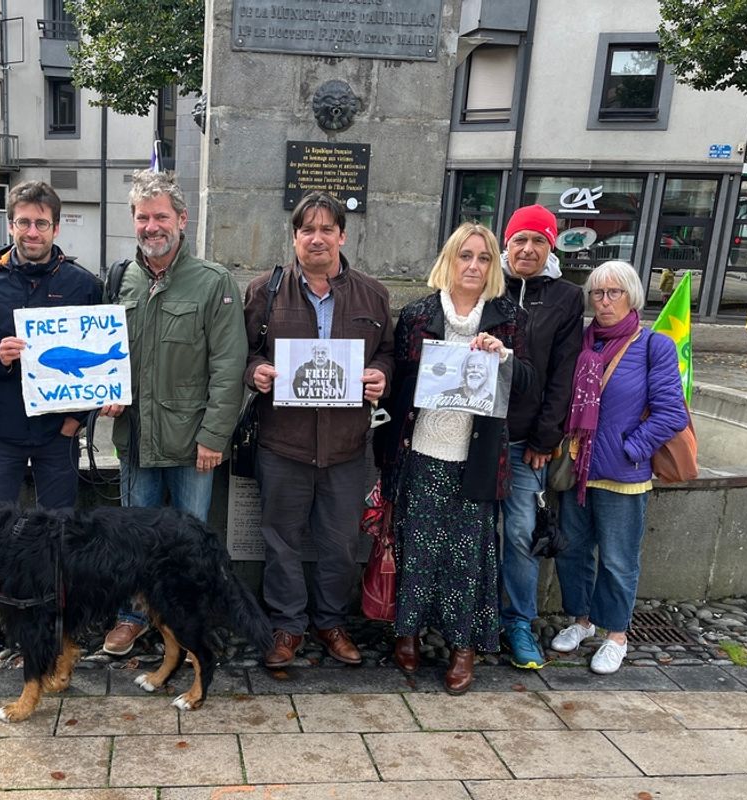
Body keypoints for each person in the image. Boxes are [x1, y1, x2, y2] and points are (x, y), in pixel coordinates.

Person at [375, 222, 533, 693]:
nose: (473, 265)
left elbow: (528, 383)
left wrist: (502, 357)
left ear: (492, 267)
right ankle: (408, 633)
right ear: (449, 259)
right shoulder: (419, 314)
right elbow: (397, 382)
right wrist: (423, 372)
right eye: (465, 256)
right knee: (418, 548)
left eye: (483, 258)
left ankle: (463, 647)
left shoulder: (508, 317)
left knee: (468, 557)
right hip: (422, 448)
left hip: (477, 455)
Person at [98, 170, 247, 656]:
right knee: (132, 538)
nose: (151, 226)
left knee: (188, 542)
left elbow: (229, 367)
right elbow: (105, 351)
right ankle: (133, 615)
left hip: (191, 444)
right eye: (143, 217)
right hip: (137, 437)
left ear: (182, 220)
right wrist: (107, 390)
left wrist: (214, 436)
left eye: (161, 216)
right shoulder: (121, 280)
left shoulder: (213, 283)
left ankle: (188, 622)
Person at [244, 191, 394, 669]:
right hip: (282, 442)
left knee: (341, 543)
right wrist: (256, 372)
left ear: (342, 236)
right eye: (307, 229)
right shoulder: (263, 291)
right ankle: (287, 626)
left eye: (327, 229)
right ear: (294, 237)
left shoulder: (373, 295)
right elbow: (241, 352)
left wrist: (381, 376)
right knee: (281, 540)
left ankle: (330, 622)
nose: (317, 238)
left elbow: (389, 353)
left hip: (347, 446)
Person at [0, 180, 102, 658]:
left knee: (60, 525)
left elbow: (100, 365)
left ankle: (59, 613)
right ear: (11, 224)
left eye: (41, 222)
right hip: (2, 428)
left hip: (56, 429)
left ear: (55, 227)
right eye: (24, 222)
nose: (32, 230)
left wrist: (77, 419)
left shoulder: (82, 284)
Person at [550, 261, 688, 675]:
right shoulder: (581, 343)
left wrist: (632, 450)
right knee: (573, 550)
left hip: (623, 475)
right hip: (577, 469)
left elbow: (671, 413)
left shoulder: (652, 346)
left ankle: (616, 635)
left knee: (617, 559)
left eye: (614, 293)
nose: (604, 301)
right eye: (597, 293)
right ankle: (581, 621)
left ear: (632, 298)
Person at [497, 204, 584, 670]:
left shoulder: (566, 298)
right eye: (519, 240)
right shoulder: (488, 283)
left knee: (518, 533)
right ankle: (470, 616)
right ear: (505, 243)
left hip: (524, 441)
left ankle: (519, 622)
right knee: (468, 533)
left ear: (550, 247)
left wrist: (544, 438)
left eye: (538, 241)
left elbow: (562, 374)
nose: (527, 249)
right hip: (475, 435)